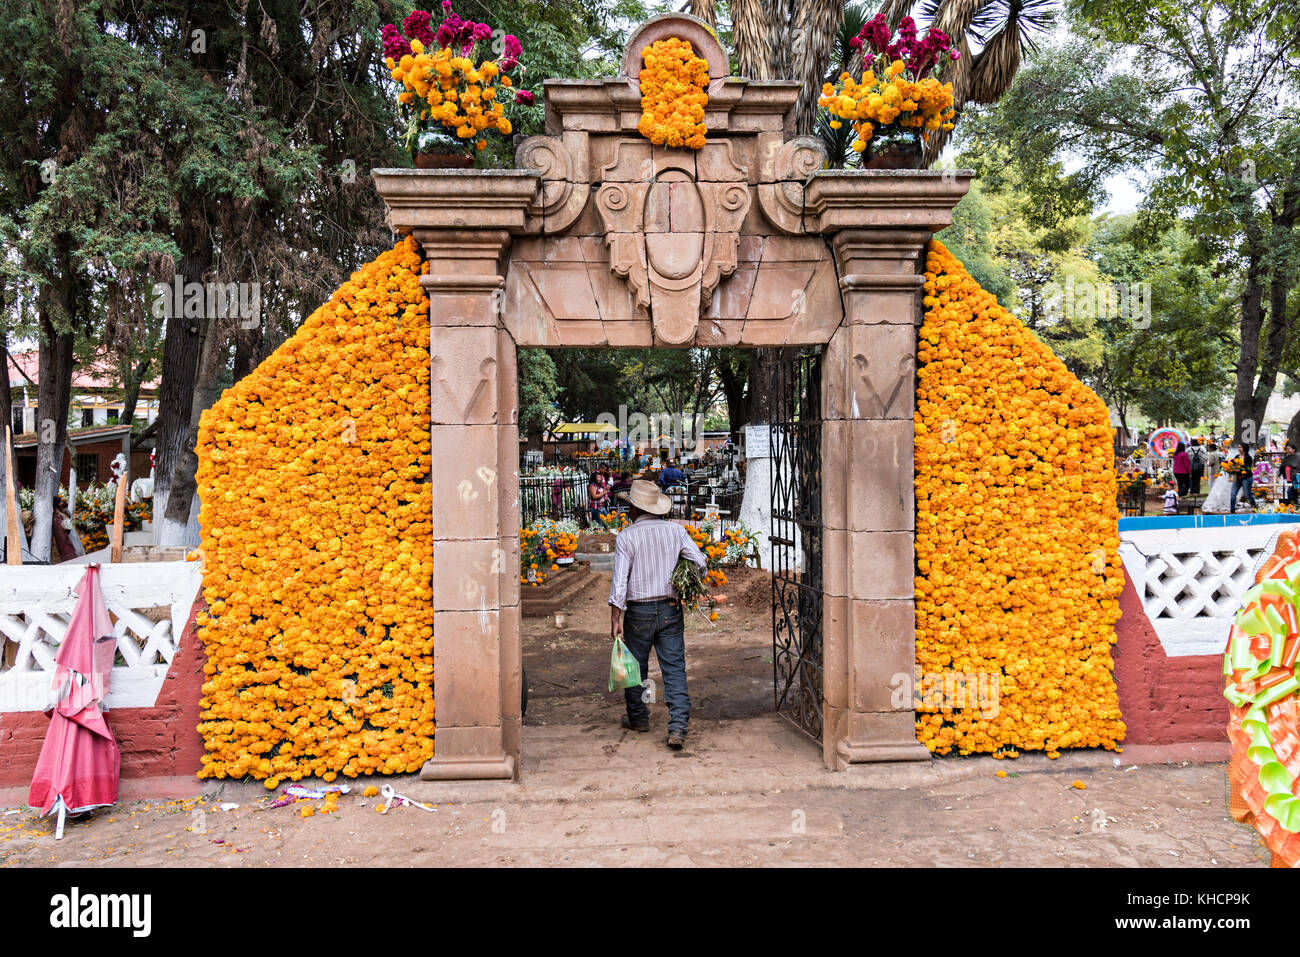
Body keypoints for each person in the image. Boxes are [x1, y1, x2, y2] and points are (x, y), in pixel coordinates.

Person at [608, 480, 707, 750]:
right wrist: (683, 580)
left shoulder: (627, 537)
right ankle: (678, 728)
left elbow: (619, 584)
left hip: (637, 613)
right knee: (674, 669)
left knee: (635, 669)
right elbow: (700, 563)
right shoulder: (675, 532)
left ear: (634, 509)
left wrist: (616, 619)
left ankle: (639, 718)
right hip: (670, 610)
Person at [1231, 446, 1257, 513]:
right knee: (1233, 494)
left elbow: (1248, 469)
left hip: (1246, 478)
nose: (1239, 448)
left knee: (1247, 494)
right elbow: (1233, 465)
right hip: (1237, 478)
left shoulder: (1248, 458)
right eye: (1238, 447)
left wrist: (1240, 470)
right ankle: (1232, 509)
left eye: (1240, 447)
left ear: (1244, 448)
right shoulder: (1236, 457)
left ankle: (1255, 505)